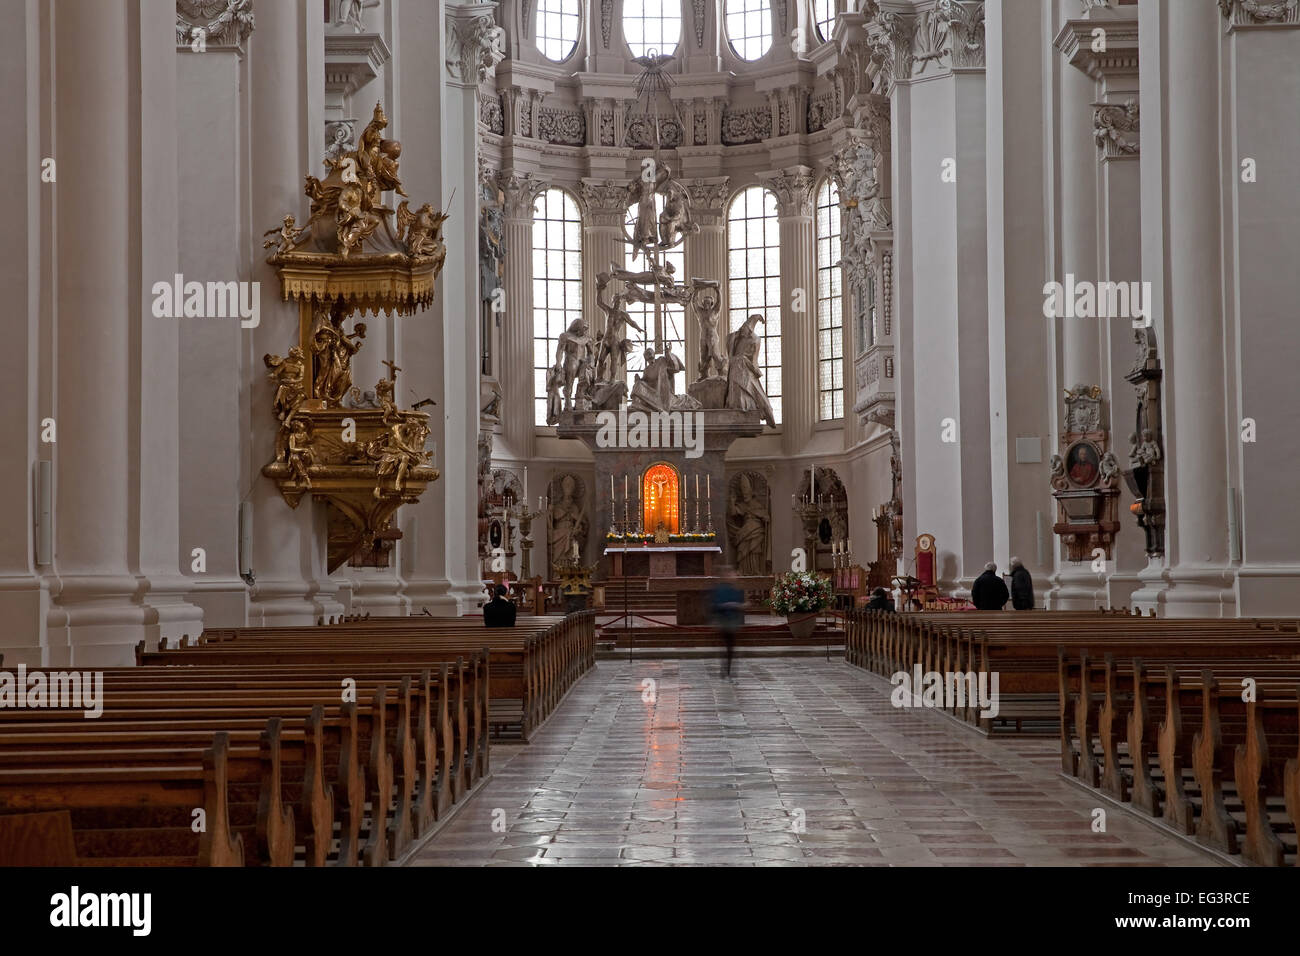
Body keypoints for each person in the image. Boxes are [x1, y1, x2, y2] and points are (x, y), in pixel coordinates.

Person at [709, 566, 745, 679]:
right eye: (731, 574)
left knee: (730, 647)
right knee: (728, 646)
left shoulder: (736, 589)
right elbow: (715, 604)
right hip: (724, 621)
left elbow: (741, 602)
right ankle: (726, 670)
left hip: (732, 622)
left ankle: (727, 670)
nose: (734, 576)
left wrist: (741, 605)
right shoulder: (720, 589)